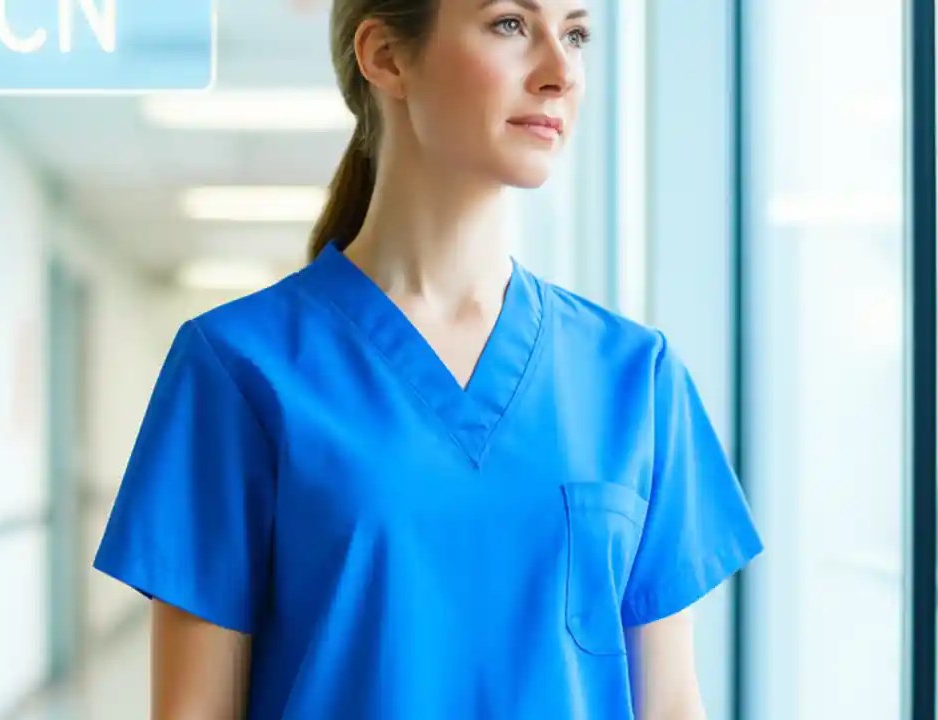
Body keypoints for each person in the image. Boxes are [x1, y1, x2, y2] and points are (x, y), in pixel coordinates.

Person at [92, 0, 764, 717]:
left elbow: (669, 705)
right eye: (511, 24)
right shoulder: (237, 368)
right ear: (385, 56)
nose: (561, 72)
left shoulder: (635, 378)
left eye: (575, 34)